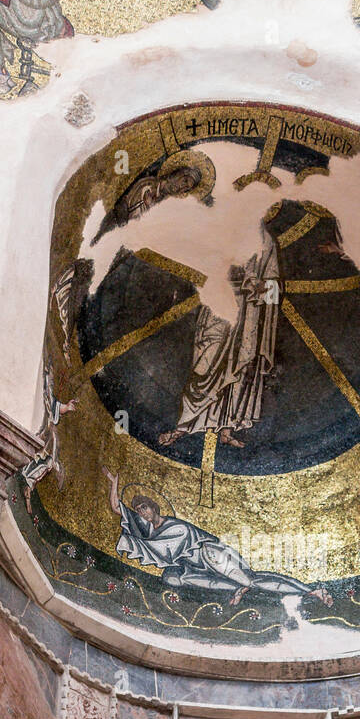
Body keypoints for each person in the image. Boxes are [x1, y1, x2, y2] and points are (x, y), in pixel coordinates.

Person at [102, 469, 332, 607]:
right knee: (171, 578)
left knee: (251, 579)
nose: (142, 512)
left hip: (211, 554)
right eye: (139, 510)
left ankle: (309, 591)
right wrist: (114, 484)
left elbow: (165, 550)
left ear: (154, 507)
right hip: (195, 567)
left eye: (144, 507)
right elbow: (116, 508)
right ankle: (237, 588)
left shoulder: (175, 527)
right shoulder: (149, 528)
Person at [158, 230, 279, 449]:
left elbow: (273, 289)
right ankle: (183, 425)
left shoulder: (266, 241)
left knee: (241, 368)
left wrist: (260, 288)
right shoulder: (227, 226)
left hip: (248, 313)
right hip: (220, 303)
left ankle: (227, 428)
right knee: (206, 363)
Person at [20, 364, 77, 513]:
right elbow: (50, 402)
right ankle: (27, 480)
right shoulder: (46, 384)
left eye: (52, 376)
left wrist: (65, 407)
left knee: (48, 460)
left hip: (48, 431)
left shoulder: (50, 387)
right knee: (45, 456)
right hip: (44, 428)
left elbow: (54, 404)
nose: (51, 379)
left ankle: (29, 484)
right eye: (50, 375)